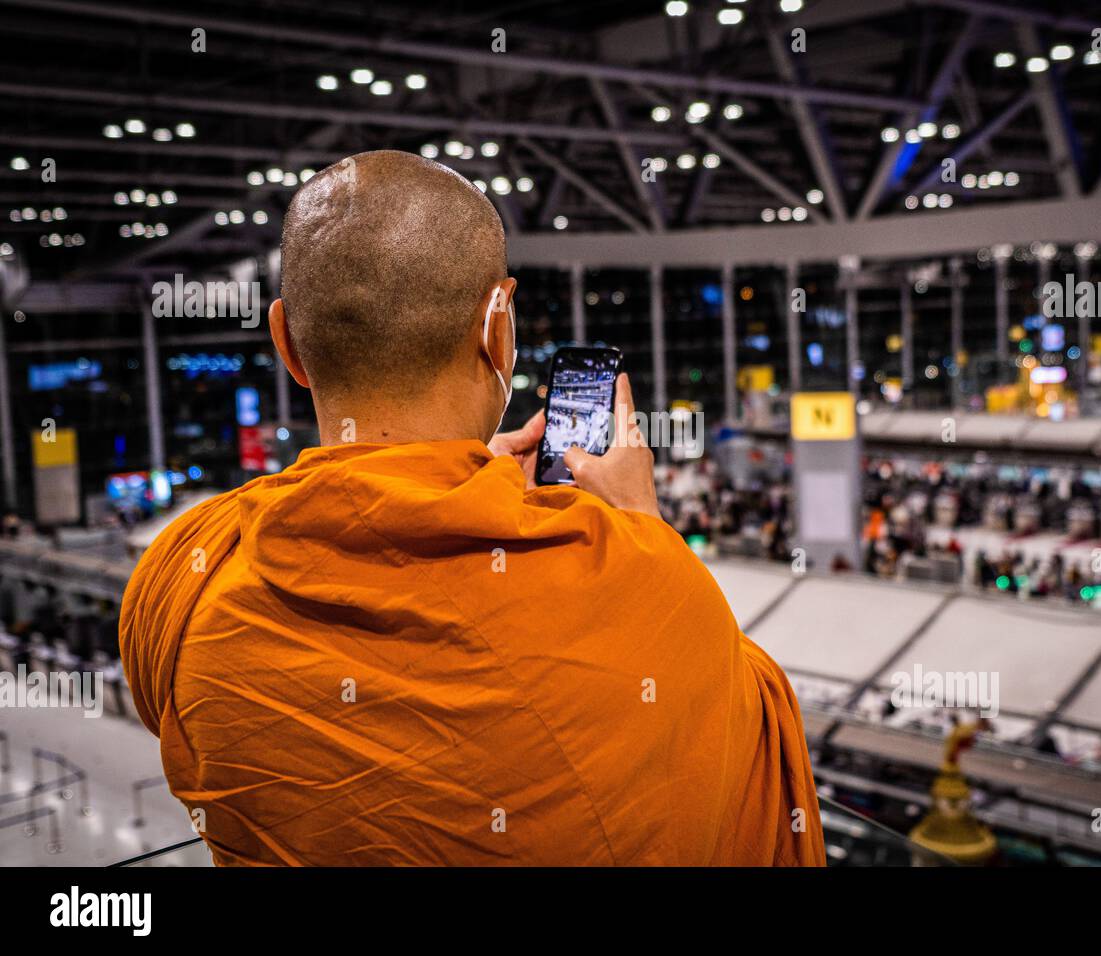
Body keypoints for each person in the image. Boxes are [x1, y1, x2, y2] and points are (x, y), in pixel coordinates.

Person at [119, 150, 823, 867]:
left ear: (287, 343)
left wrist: (455, 481)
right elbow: (737, 731)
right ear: (499, 327)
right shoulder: (642, 582)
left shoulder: (190, 575)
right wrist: (642, 530)